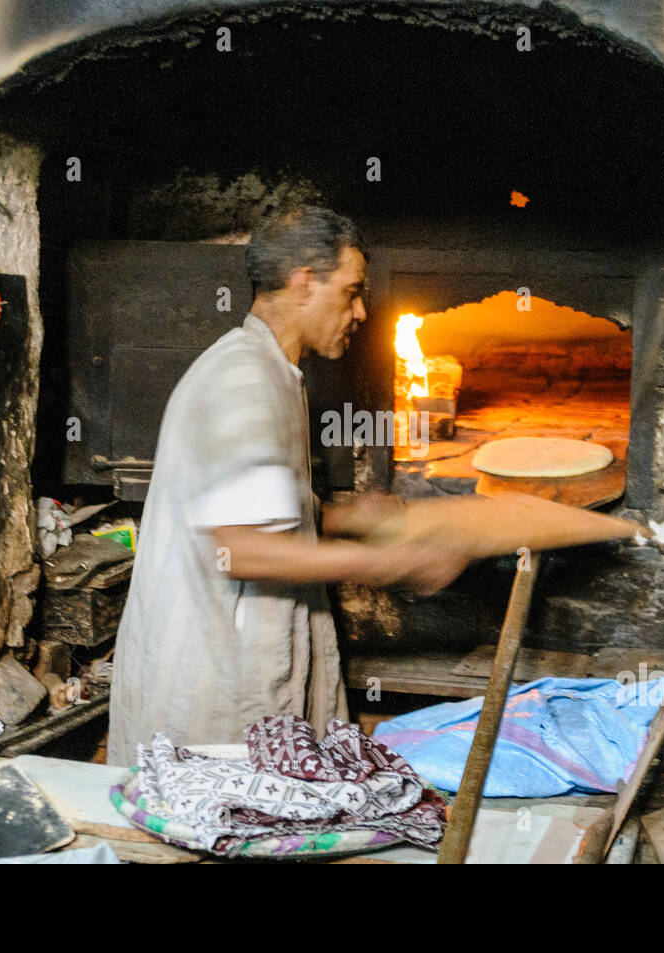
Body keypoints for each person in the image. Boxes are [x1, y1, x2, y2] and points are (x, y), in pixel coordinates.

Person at [107, 206, 471, 763]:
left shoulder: (266, 369)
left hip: (230, 654)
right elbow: (241, 548)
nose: (361, 311)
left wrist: (350, 516)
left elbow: (254, 508)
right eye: (351, 292)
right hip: (216, 678)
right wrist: (389, 565)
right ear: (305, 283)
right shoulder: (246, 382)